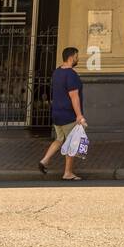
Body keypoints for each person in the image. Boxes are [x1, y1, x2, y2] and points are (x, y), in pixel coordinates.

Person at [38, 46, 88, 181]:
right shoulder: (71, 74)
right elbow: (74, 96)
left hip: (56, 113)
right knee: (72, 143)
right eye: (77, 56)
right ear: (71, 57)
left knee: (59, 139)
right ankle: (68, 173)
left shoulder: (57, 72)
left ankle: (44, 160)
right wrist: (79, 115)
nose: (78, 59)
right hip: (68, 114)